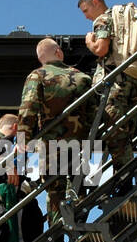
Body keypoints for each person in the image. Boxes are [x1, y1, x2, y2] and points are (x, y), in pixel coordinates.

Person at [18, 38, 93, 222]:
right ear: (59, 52)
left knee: (55, 191)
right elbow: (94, 112)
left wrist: (22, 141)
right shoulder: (83, 77)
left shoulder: (38, 75)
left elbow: (28, 109)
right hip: (81, 144)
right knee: (80, 187)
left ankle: (57, 237)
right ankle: (80, 229)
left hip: (52, 145)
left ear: (40, 58)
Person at [79, 0, 137, 171]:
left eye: (85, 10)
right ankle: (127, 174)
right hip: (133, 79)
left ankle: (123, 177)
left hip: (115, 84)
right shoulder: (124, 18)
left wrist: (89, 41)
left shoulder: (103, 19)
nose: (86, 16)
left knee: (115, 133)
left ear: (96, 2)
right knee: (126, 130)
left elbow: (101, 49)